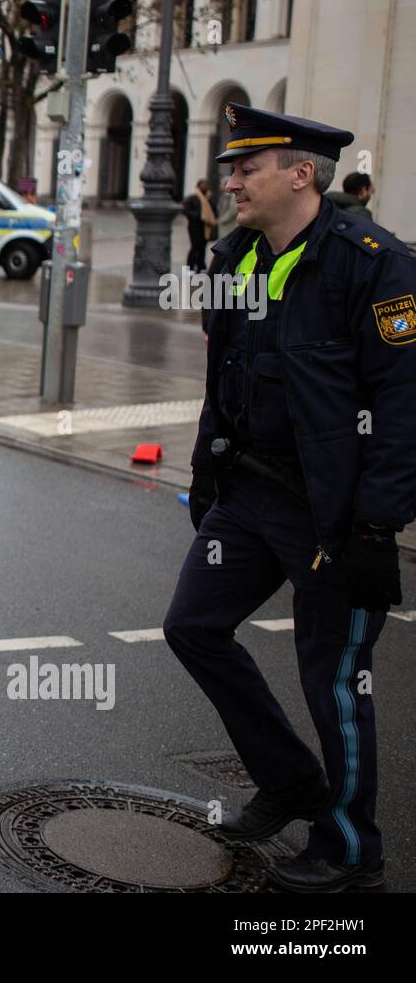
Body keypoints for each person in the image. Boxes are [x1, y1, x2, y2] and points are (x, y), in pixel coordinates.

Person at [163, 103, 416, 892]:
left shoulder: (373, 263)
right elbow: (225, 382)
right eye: (233, 167)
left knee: (332, 678)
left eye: (248, 168)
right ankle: (292, 783)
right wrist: (207, 478)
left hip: (332, 515)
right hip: (247, 494)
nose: (230, 179)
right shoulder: (235, 256)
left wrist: (376, 526)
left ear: (301, 174)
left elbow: (404, 404)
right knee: (193, 627)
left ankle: (349, 847)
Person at [181, 179, 217, 273]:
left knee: (203, 247)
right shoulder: (193, 198)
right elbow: (185, 210)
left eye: (206, 184)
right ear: (198, 186)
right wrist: (197, 216)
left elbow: (214, 212)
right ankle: (190, 267)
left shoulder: (210, 199)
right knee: (195, 246)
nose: (205, 186)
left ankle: (200, 267)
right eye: (203, 184)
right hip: (195, 226)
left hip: (206, 227)